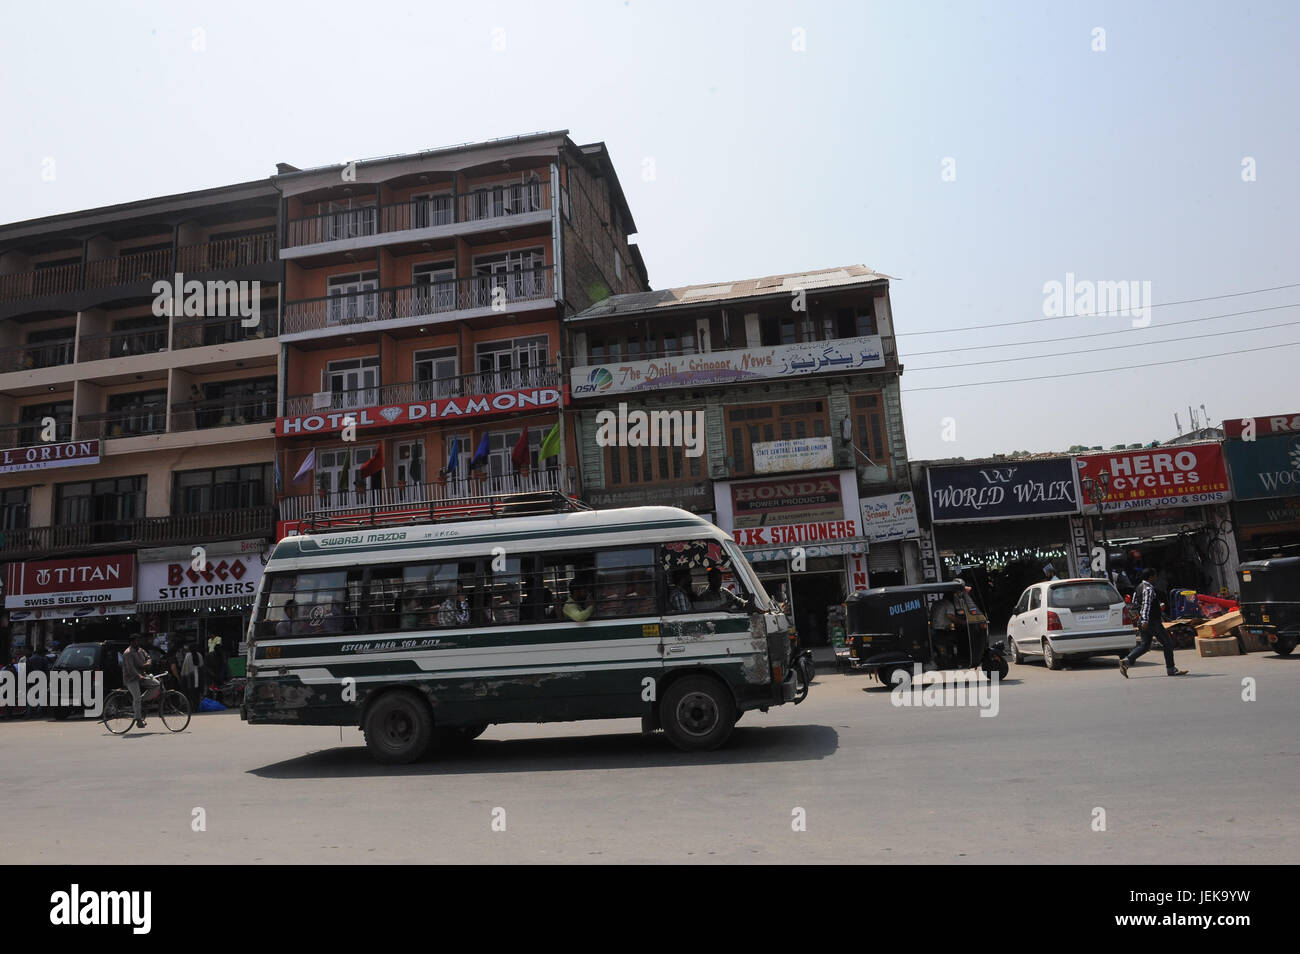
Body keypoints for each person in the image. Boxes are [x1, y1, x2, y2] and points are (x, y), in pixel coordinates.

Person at [1120, 568, 1187, 677]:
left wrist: (1142, 618)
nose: (1156, 578)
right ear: (1151, 577)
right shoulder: (1148, 589)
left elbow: (1135, 604)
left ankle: (1126, 661)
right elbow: (1146, 605)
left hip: (1144, 620)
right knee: (1167, 643)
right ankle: (1171, 669)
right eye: (1155, 576)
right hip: (1151, 621)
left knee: (1145, 645)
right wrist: (1145, 620)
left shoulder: (1139, 588)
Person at [122, 635, 159, 729]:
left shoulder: (140, 650)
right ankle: (138, 720)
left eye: (139, 640)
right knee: (137, 697)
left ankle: (142, 701)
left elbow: (148, 657)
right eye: (137, 641)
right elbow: (130, 669)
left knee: (156, 684)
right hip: (131, 678)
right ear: (132, 642)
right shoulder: (128, 653)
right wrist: (139, 676)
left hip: (142, 675)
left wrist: (148, 662)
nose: (139, 642)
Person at [180, 642, 204, 711]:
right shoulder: (199, 655)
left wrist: (182, 678)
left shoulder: (188, 656)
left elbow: (184, 668)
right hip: (198, 677)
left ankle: (191, 708)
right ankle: (196, 708)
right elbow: (202, 667)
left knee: (190, 694)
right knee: (197, 693)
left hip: (190, 678)